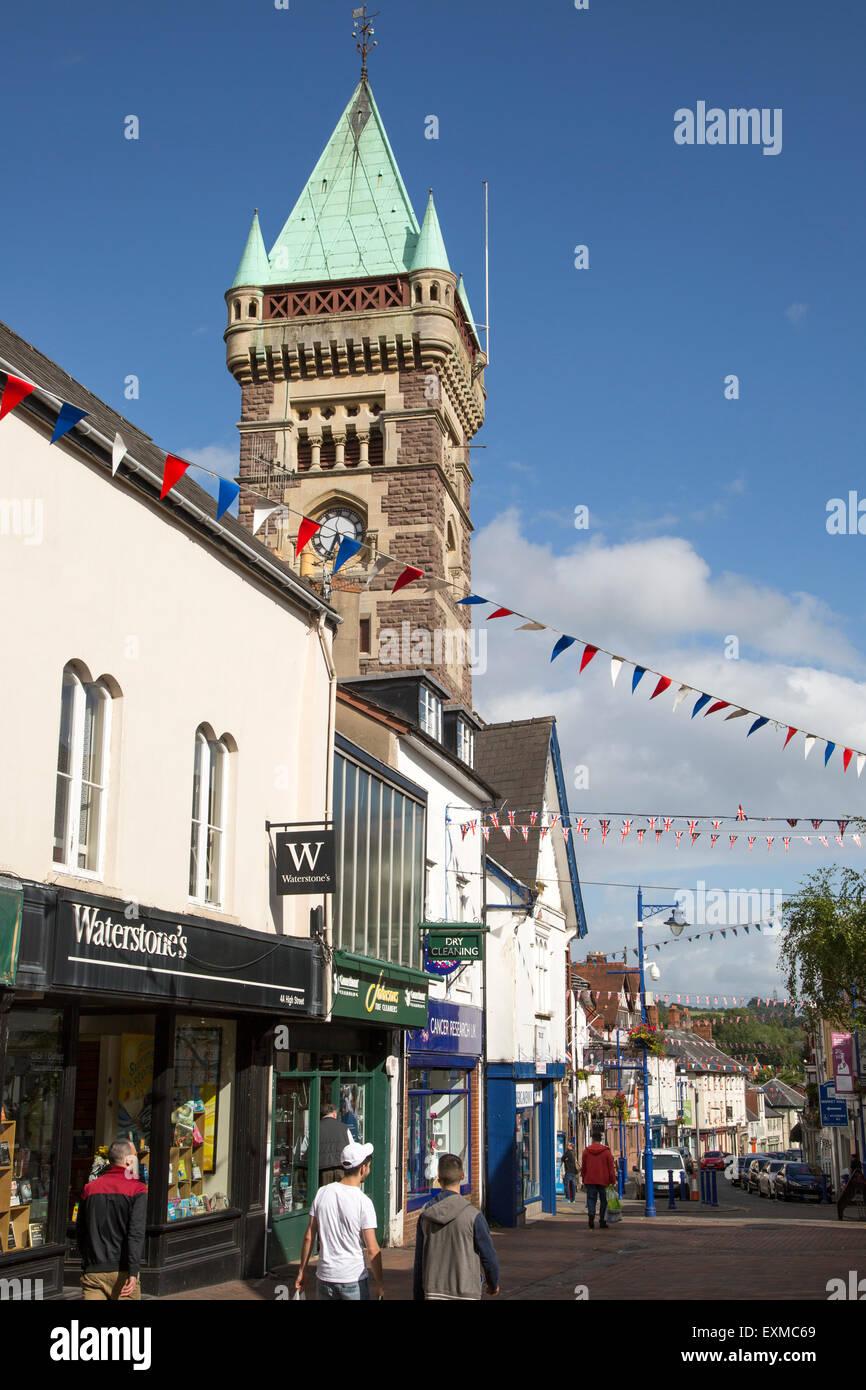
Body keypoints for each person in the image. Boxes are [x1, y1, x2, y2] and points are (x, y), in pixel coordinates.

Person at [295, 1140, 385, 1301]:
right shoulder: (363, 1202)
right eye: (369, 1166)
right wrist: (380, 1285)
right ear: (363, 1168)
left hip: (325, 1276)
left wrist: (302, 1270)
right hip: (352, 1278)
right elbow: (372, 1248)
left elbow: (309, 1235)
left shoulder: (322, 1192)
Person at [413, 1153, 499, 1301]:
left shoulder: (425, 1214)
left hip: (433, 1292)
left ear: (438, 1179)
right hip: (466, 1291)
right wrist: (493, 1283)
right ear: (463, 1176)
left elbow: (419, 1260)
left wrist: (418, 1294)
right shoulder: (474, 1216)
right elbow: (488, 1256)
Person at [75, 1138, 147, 1300]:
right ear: (128, 1161)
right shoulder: (137, 1189)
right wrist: (134, 1271)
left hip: (94, 1271)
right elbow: (136, 1233)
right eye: (135, 1156)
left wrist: (87, 1263)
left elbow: (81, 1230)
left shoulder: (90, 1188)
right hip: (123, 1271)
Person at [580, 1127, 617, 1230]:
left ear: (592, 1139)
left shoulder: (587, 1151)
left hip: (590, 1179)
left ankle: (591, 1213)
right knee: (603, 1201)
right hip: (604, 1180)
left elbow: (584, 1167)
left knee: (591, 1199)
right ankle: (602, 1220)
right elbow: (611, 1168)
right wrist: (613, 1181)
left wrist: (583, 1178)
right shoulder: (606, 1152)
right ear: (601, 1139)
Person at [318, 1100, 351, 1184]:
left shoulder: (314, 1128)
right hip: (340, 1168)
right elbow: (351, 1148)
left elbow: (302, 1151)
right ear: (335, 1114)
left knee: (325, 1195)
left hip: (322, 1169)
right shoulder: (344, 1128)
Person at [838, 1155, 866, 1220]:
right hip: (857, 1179)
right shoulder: (858, 1164)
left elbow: (851, 1169)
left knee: (845, 1197)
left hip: (854, 1179)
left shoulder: (853, 1164)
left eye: (851, 1157)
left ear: (853, 1158)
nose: (850, 1158)